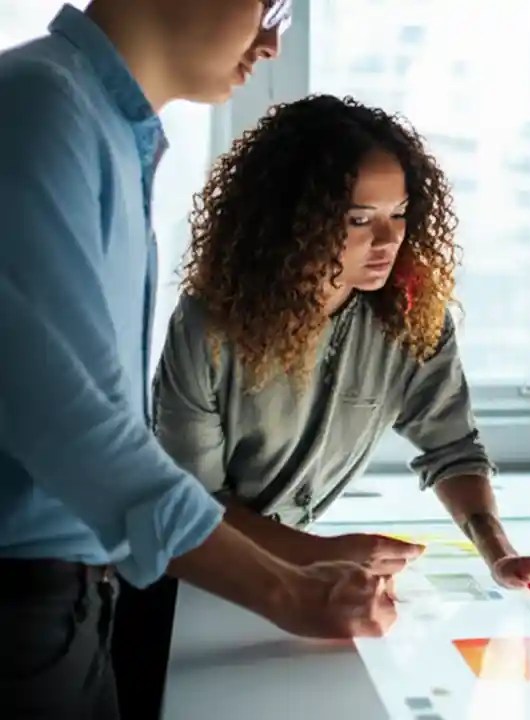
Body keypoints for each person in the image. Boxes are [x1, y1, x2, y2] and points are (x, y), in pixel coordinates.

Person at [0, 3, 404, 718]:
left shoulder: (103, 127)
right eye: (271, 4)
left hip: (74, 600)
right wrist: (287, 589)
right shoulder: (41, 108)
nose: (275, 40)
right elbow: (69, 423)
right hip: (22, 607)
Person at [147, 92, 530, 621]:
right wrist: (322, 556)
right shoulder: (209, 325)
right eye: (360, 219)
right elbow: (191, 506)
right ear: (294, 222)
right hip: (189, 588)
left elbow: (452, 448)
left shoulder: (410, 314)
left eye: (400, 213)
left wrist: (502, 554)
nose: (388, 239)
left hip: (291, 585)